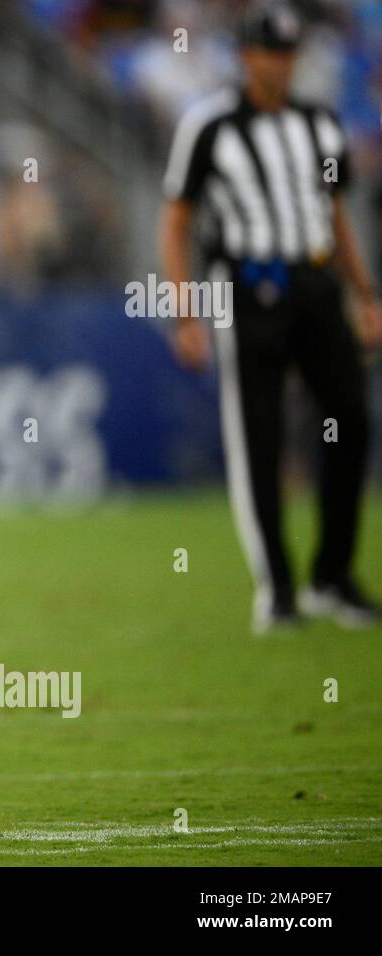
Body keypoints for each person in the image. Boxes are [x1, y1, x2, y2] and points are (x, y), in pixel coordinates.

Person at [160, 1, 381, 634]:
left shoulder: (319, 123)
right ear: (245, 56)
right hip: (248, 291)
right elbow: (176, 219)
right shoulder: (210, 125)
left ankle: (331, 576)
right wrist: (185, 311)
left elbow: (335, 215)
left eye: (288, 54)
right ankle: (277, 589)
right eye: (269, 53)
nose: (280, 65)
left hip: (315, 284)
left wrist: (363, 293)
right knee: (258, 436)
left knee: (350, 421)